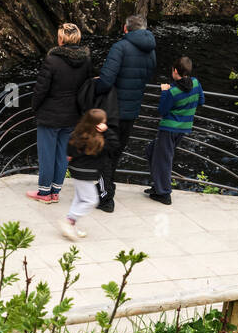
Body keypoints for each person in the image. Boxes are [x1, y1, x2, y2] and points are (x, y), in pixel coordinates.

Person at [93, 14, 157, 211]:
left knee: (104, 151)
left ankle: (106, 198)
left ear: (125, 28)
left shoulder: (119, 47)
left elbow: (106, 80)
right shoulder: (151, 51)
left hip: (113, 110)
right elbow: (149, 75)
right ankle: (106, 187)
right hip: (132, 110)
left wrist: (94, 89)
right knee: (116, 151)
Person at [28, 22, 92, 203]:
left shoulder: (52, 60)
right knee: (62, 155)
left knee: (47, 155)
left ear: (61, 39)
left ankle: (44, 193)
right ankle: (55, 192)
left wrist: (35, 108)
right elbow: (87, 86)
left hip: (50, 115)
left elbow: (41, 89)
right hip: (73, 115)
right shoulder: (86, 59)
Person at [145, 55, 204, 205]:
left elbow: (163, 111)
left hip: (169, 129)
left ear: (175, 71)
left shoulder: (173, 91)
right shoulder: (196, 83)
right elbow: (201, 101)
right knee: (151, 151)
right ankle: (158, 186)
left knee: (164, 160)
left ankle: (164, 194)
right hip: (184, 128)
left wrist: (165, 91)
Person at [60, 108, 108, 240]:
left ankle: (71, 225)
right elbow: (113, 146)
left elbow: (69, 151)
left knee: (79, 198)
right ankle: (69, 221)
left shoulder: (78, 133)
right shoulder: (98, 139)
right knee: (91, 200)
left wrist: (70, 156)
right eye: (104, 122)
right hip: (86, 173)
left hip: (76, 170)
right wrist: (106, 132)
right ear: (98, 124)